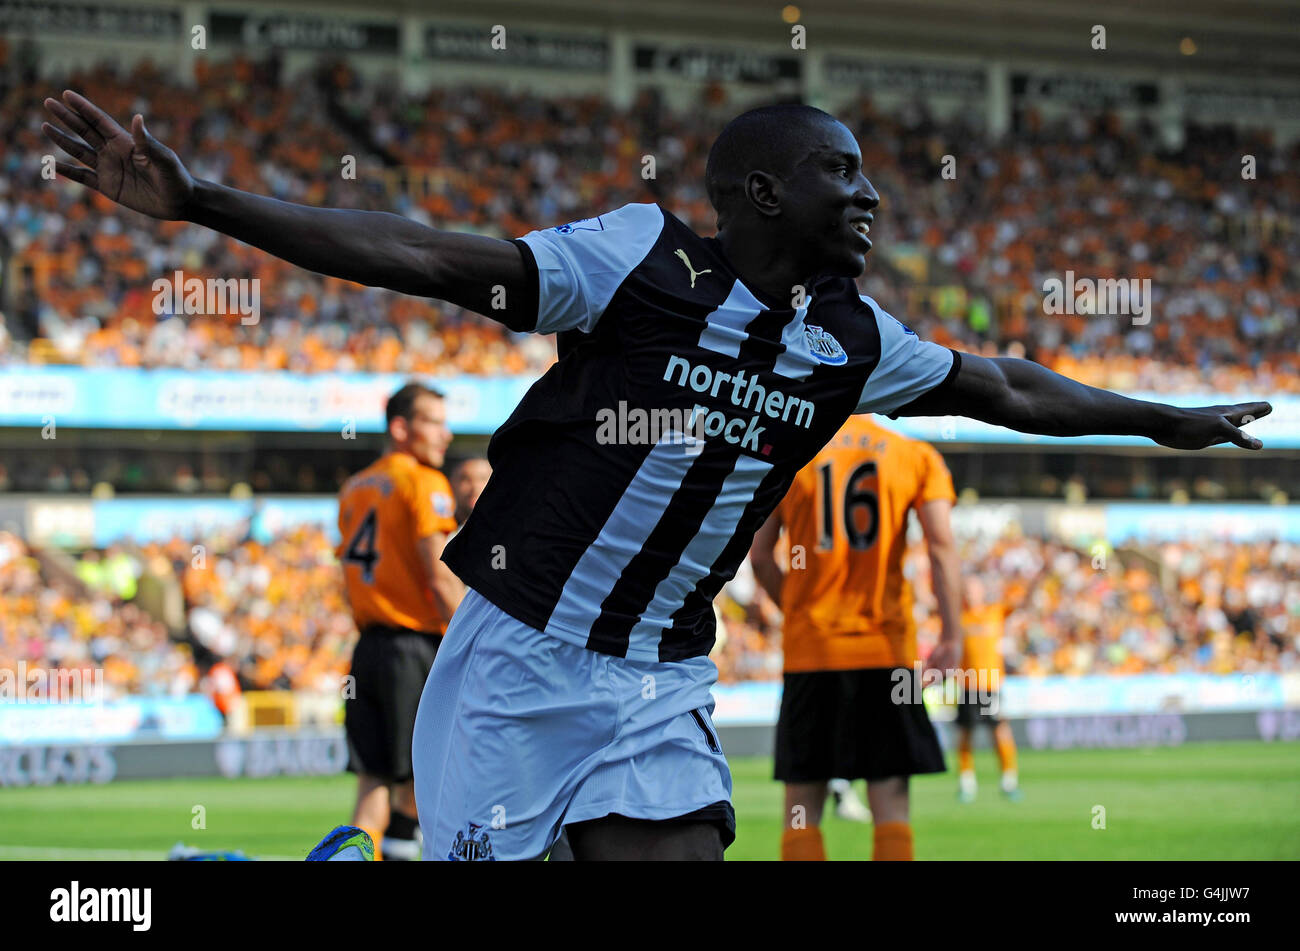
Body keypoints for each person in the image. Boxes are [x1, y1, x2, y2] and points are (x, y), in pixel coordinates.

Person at [43, 93, 1270, 860]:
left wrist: (1161, 419)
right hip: (518, 661)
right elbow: (426, 255)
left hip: (659, 674)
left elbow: (1003, 386)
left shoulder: (851, 339)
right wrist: (203, 202)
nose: (868, 193)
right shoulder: (639, 261)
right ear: (759, 192)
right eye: (839, 171)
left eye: (865, 173)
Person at [750, 415, 961, 860]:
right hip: (886, 651)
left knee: (801, 807)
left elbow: (761, 556)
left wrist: (799, 612)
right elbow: (941, 544)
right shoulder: (912, 454)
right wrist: (952, 634)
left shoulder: (791, 449)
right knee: (891, 804)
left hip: (812, 652)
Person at [336, 382, 462, 860]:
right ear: (401, 427)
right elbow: (440, 576)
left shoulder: (354, 488)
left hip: (368, 648)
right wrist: (474, 642)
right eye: (435, 422)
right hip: (414, 647)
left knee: (373, 785)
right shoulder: (425, 482)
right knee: (420, 782)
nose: (446, 435)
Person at [954, 577, 1020, 802]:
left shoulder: (995, 612)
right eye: (966, 590)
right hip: (967, 685)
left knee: (999, 731)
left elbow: (1020, 602)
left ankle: (1009, 781)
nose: (969, 594)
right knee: (966, 734)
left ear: (982, 591)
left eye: (973, 589)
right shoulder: (960, 617)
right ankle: (966, 783)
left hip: (991, 685)